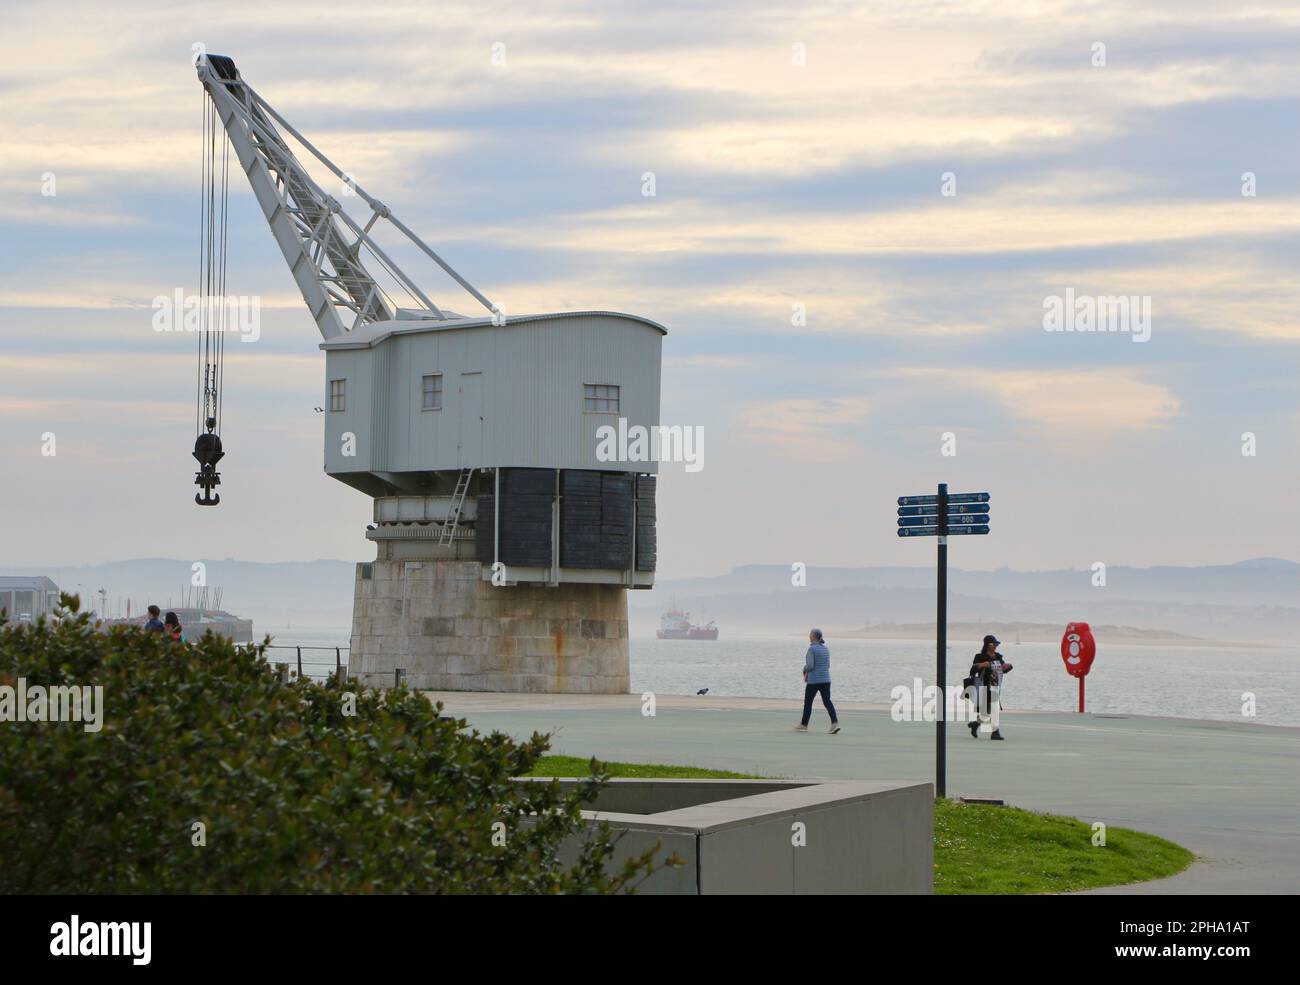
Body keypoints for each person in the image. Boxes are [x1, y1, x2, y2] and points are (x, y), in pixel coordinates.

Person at [795, 628, 840, 734]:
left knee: (808, 703)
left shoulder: (812, 649)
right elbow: (828, 665)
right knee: (827, 702)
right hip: (826, 680)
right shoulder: (825, 649)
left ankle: (804, 725)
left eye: (810, 634)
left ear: (813, 636)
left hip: (814, 681)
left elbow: (810, 666)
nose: (809, 636)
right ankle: (835, 723)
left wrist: (804, 669)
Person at [968, 634, 1012, 740]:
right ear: (987, 645)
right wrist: (981, 665)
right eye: (994, 644)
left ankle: (975, 724)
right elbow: (972, 670)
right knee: (991, 710)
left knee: (988, 712)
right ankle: (995, 732)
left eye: (996, 644)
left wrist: (1008, 667)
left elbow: (1003, 669)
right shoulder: (980, 656)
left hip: (995, 687)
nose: (995, 646)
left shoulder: (998, 656)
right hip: (983, 687)